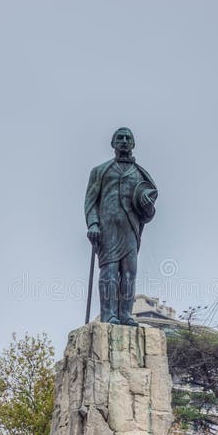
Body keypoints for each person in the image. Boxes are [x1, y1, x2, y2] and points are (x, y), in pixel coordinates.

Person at [84, 128, 157, 324]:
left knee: (129, 273)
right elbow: (90, 202)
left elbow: (148, 212)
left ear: (133, 144)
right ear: (113, 143)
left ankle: (125, 314)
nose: (124, 141)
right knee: (109, 271)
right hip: (107, 229)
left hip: (130, 229)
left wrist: (147, 204)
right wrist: (93, 223)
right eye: (120, 138)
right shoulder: (100, 171)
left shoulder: (141, 174)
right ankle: (109, 314)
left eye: (128, 138)